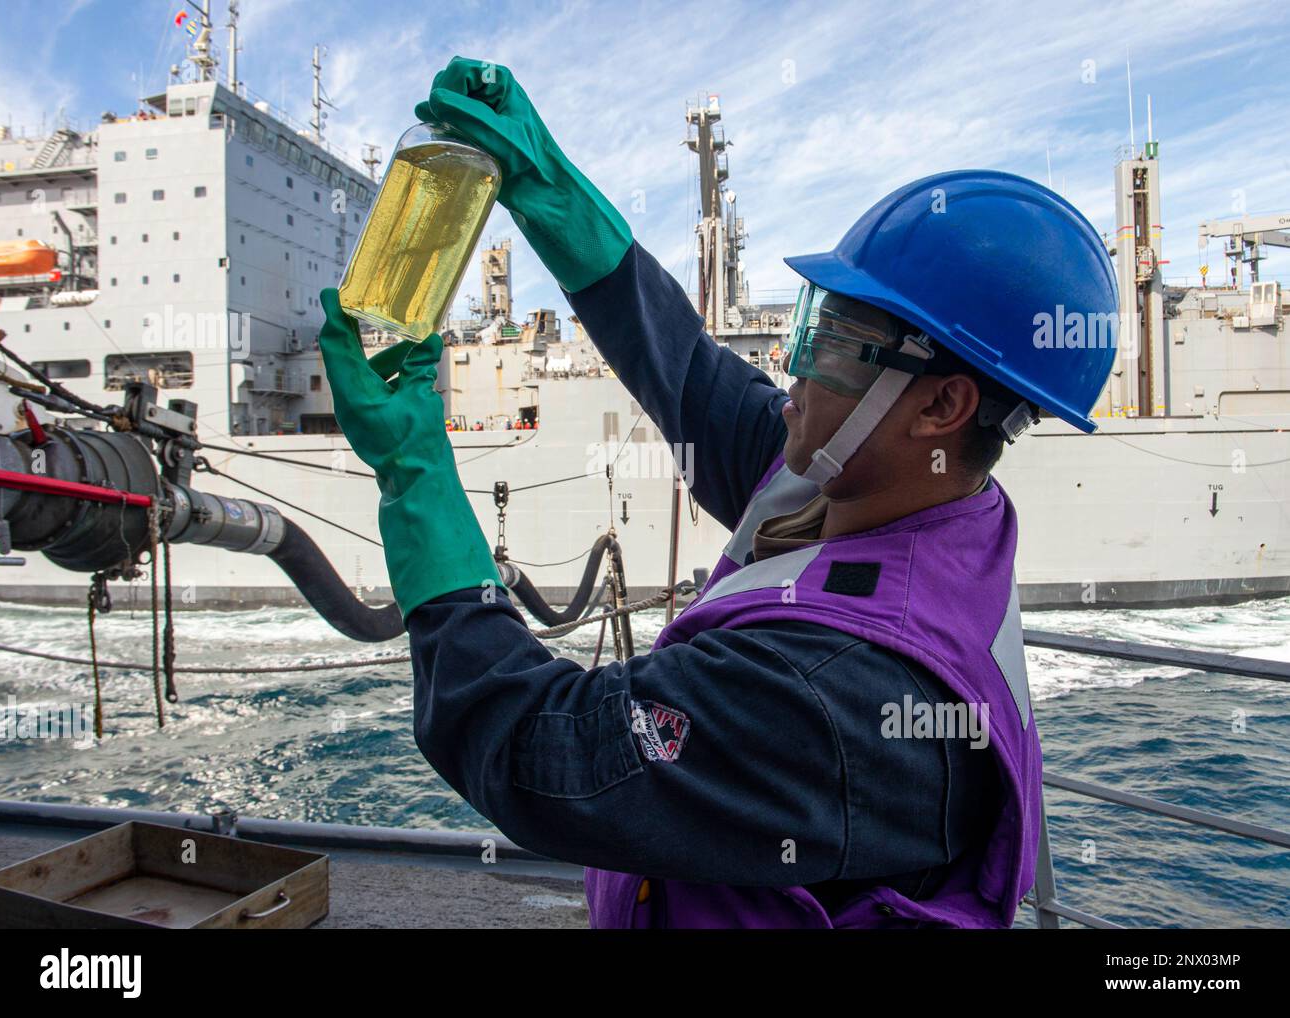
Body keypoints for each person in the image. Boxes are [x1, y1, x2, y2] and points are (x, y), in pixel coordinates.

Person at [316, 57, 1118, 928]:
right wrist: (543, 183)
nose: (793, 366)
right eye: (810, 324)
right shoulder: (886, 496)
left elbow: (533, 745)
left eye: (835, 344)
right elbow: (687, 373)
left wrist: (413, 470)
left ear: (941, 405)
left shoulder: (836, 700)